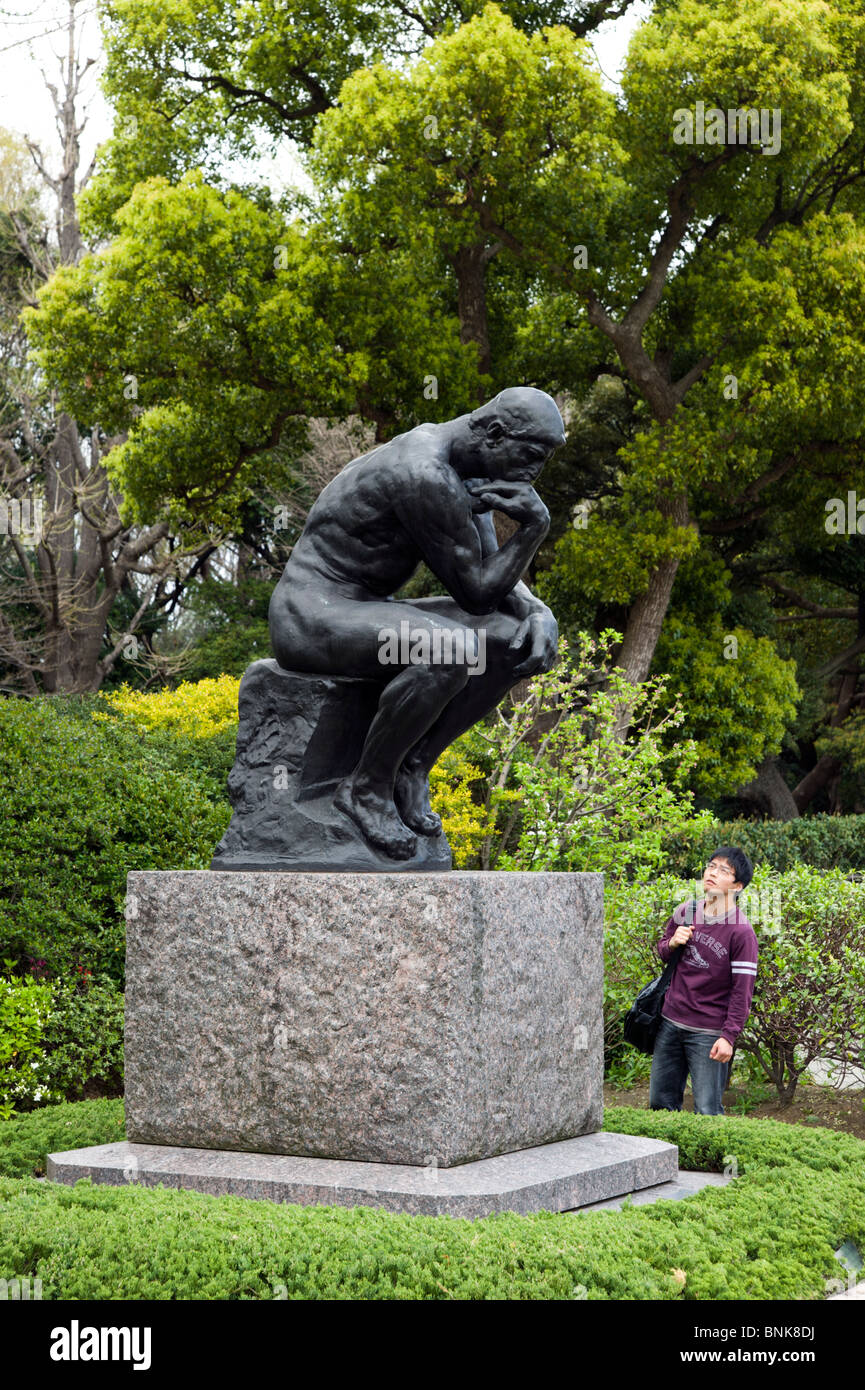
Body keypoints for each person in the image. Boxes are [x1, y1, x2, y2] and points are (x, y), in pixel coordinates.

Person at [268, 387, 565, 860]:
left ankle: (413, 767)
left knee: (512, 639)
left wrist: (538, 612)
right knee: (447, 649)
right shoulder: (425, 472)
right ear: (494, 433)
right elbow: (478, 592)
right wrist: (534, 528)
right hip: (311, 613)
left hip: (363, 606)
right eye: (531, 456)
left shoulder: (468, 470)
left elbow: (492, 575)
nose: (535, 473)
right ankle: (365, 789)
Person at [649, 846, 758, 1116]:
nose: (712, 872)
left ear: (738, 886)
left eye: (724, 870)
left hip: (708, 1034)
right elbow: (662, 950)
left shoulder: (741, 932)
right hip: (670, 1023)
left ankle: (710, 1160)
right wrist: (672, 943)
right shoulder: (687, 910)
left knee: (708, 1111)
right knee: (660, 1107)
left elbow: (742, 992)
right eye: (711, 865)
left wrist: (728, 1037)